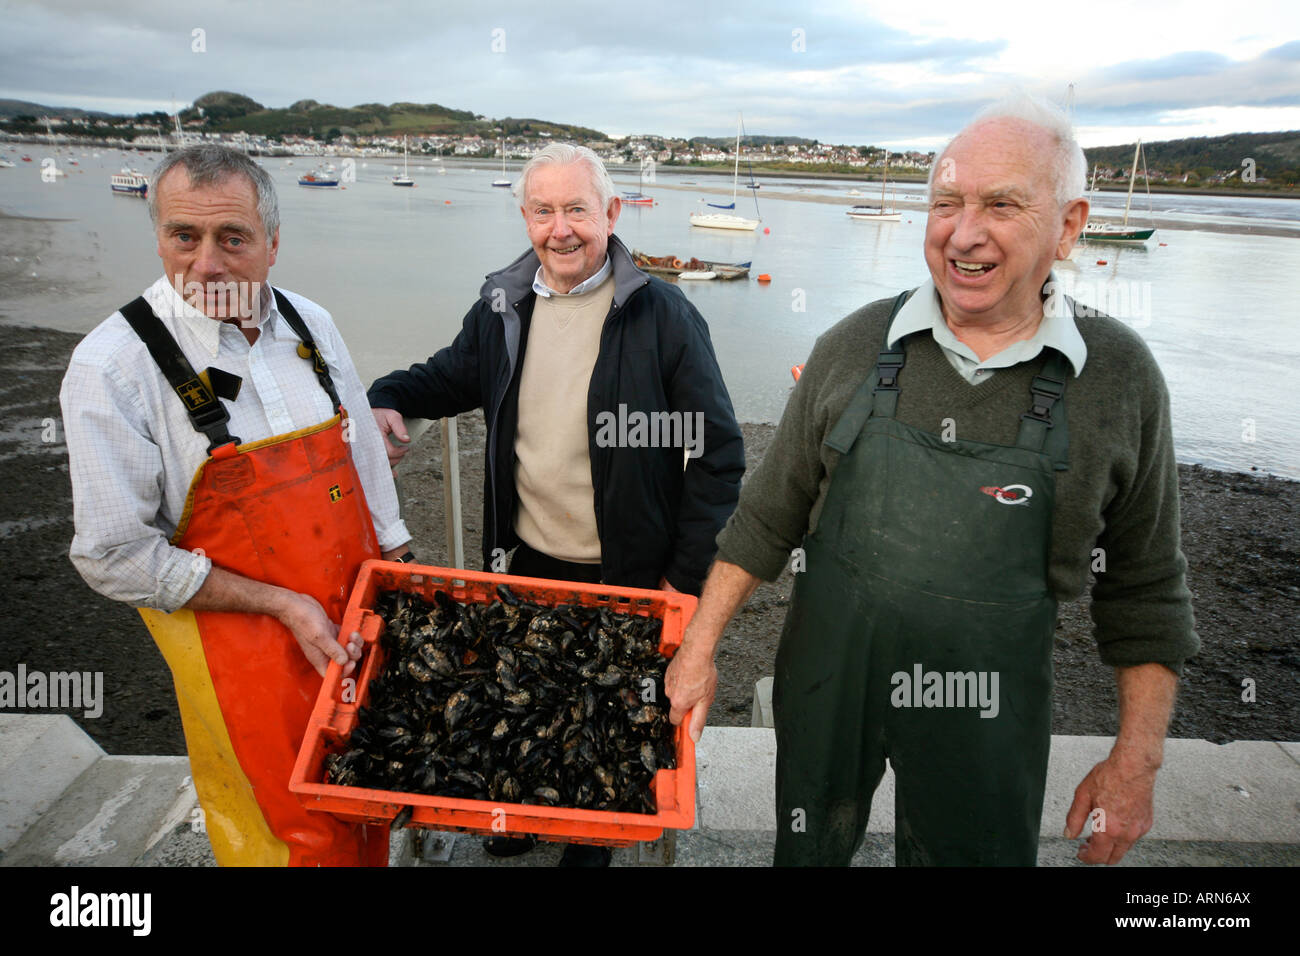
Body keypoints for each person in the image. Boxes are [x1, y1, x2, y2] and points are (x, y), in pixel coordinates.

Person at [664, 93, 1199, 867]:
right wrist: (700, 647)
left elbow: (1146, 585)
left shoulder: (1117, 378)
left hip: (987, 707)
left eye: (1002, 204)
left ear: (1070, 225)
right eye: (945, 202)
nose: (964, 232)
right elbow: (765, 518)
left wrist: (1136, 760)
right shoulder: (852, 345)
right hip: (829, 684)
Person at [367, 143, 744, 865]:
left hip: (625, 572)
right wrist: (387, 395)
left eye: (576, 209)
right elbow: (453, 375)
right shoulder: (503, 305)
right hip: (526, 558)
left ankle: (588, 848)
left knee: (605, 724)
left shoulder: (663, 315)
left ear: (611, 213)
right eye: (543, 210)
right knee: (530, 707)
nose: (559, 228)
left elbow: (718, 455)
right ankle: (532, 818)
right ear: (525, 216)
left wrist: (685, 579)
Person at [60, 144, 413, 866]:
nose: (208, 263)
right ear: (157, 235)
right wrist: (281, 605)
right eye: (184, 237)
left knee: (369, 797)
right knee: (282, 829)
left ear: (274, 243)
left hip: (352, 621)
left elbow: (364, 458)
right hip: (236, 658)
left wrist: (399, 563)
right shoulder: (111, 367)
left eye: (233, 238)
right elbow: (112, 555)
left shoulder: (310, 324)